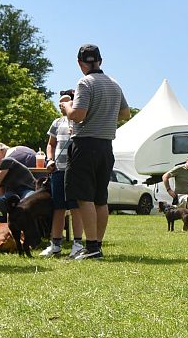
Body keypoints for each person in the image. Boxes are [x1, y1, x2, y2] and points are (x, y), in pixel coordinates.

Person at [59, 44, 131, 260]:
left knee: (84, 197)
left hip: (85, 145)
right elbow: (125, 113)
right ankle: (97, 245)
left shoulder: (85, 82)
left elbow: (78, 115)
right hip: (106, 147)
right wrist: (105, 118)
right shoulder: (114, 84)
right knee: (101, 198)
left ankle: (90, 248)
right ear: (100, 60)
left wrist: (66, 108)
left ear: (81, 63)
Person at [40, 90, 86, 258]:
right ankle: (56, 245)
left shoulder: (82, 121)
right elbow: (50, 144)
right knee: (58, 207)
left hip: (75, 171)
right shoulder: (57, 122)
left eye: (65, 102)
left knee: (75, 208)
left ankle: (78, 244)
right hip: (58, 170)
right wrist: (49, 160)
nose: (62, 105)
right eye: (60, 103)